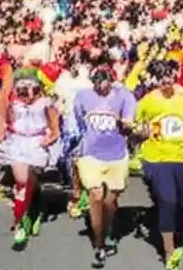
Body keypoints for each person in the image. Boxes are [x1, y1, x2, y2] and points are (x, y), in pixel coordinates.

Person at [134, 60, 183, 270]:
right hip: (159, 159)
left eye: (169, 76)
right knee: (168, 201)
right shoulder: (147, 102)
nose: (166, 81)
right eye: (161, 77)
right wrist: (141, 132)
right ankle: (169, 253)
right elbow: (136, 127)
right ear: (156, 80)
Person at [72, 64, 137, 268]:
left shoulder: (124, 96)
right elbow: (78, 121)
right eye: (97, 82)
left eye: (105, 81)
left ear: (112, 79)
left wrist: (123, 122)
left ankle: (106, 229)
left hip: (116, 154)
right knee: (96, 195)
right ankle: (99, 245)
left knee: (110, 201)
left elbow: (129, 124)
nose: (101, 86)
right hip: (91, 154)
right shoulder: (83, 96)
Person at [0, 67, 60, 250]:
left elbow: (55, 128)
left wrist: (49, 139)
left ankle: (35, 206)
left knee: (31, 181)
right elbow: (1, 119)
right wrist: (1, 136)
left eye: (34, 91)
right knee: (22, 182)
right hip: (18, 144)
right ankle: (21, 222)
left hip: (37, 144)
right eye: (24, 91)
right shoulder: (11, 103)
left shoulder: (46, 103)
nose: (29, 96)